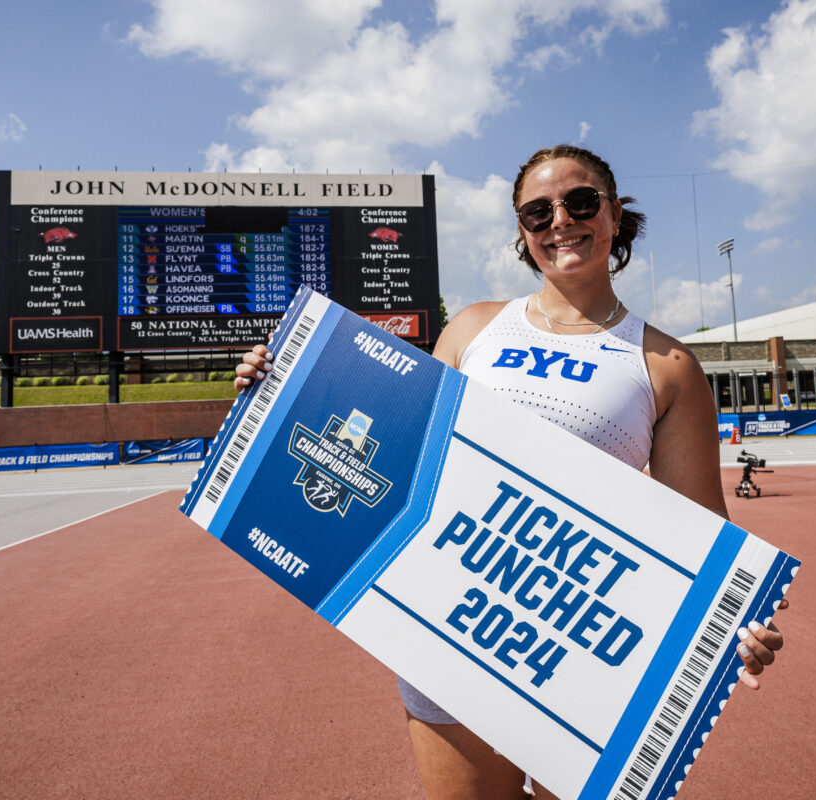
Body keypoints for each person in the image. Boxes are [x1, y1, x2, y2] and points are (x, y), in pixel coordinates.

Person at [235, 144, 786, 799]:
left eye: (580, 202)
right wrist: (279, 387)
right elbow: (394, 449)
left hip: (577, 655)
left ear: (613, 215)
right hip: (451, 631)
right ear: (523, 232)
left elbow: (703, 532)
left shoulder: (666, 364)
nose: (560, 220)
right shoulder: (472, 329)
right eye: (537, 211)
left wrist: (738, 623)